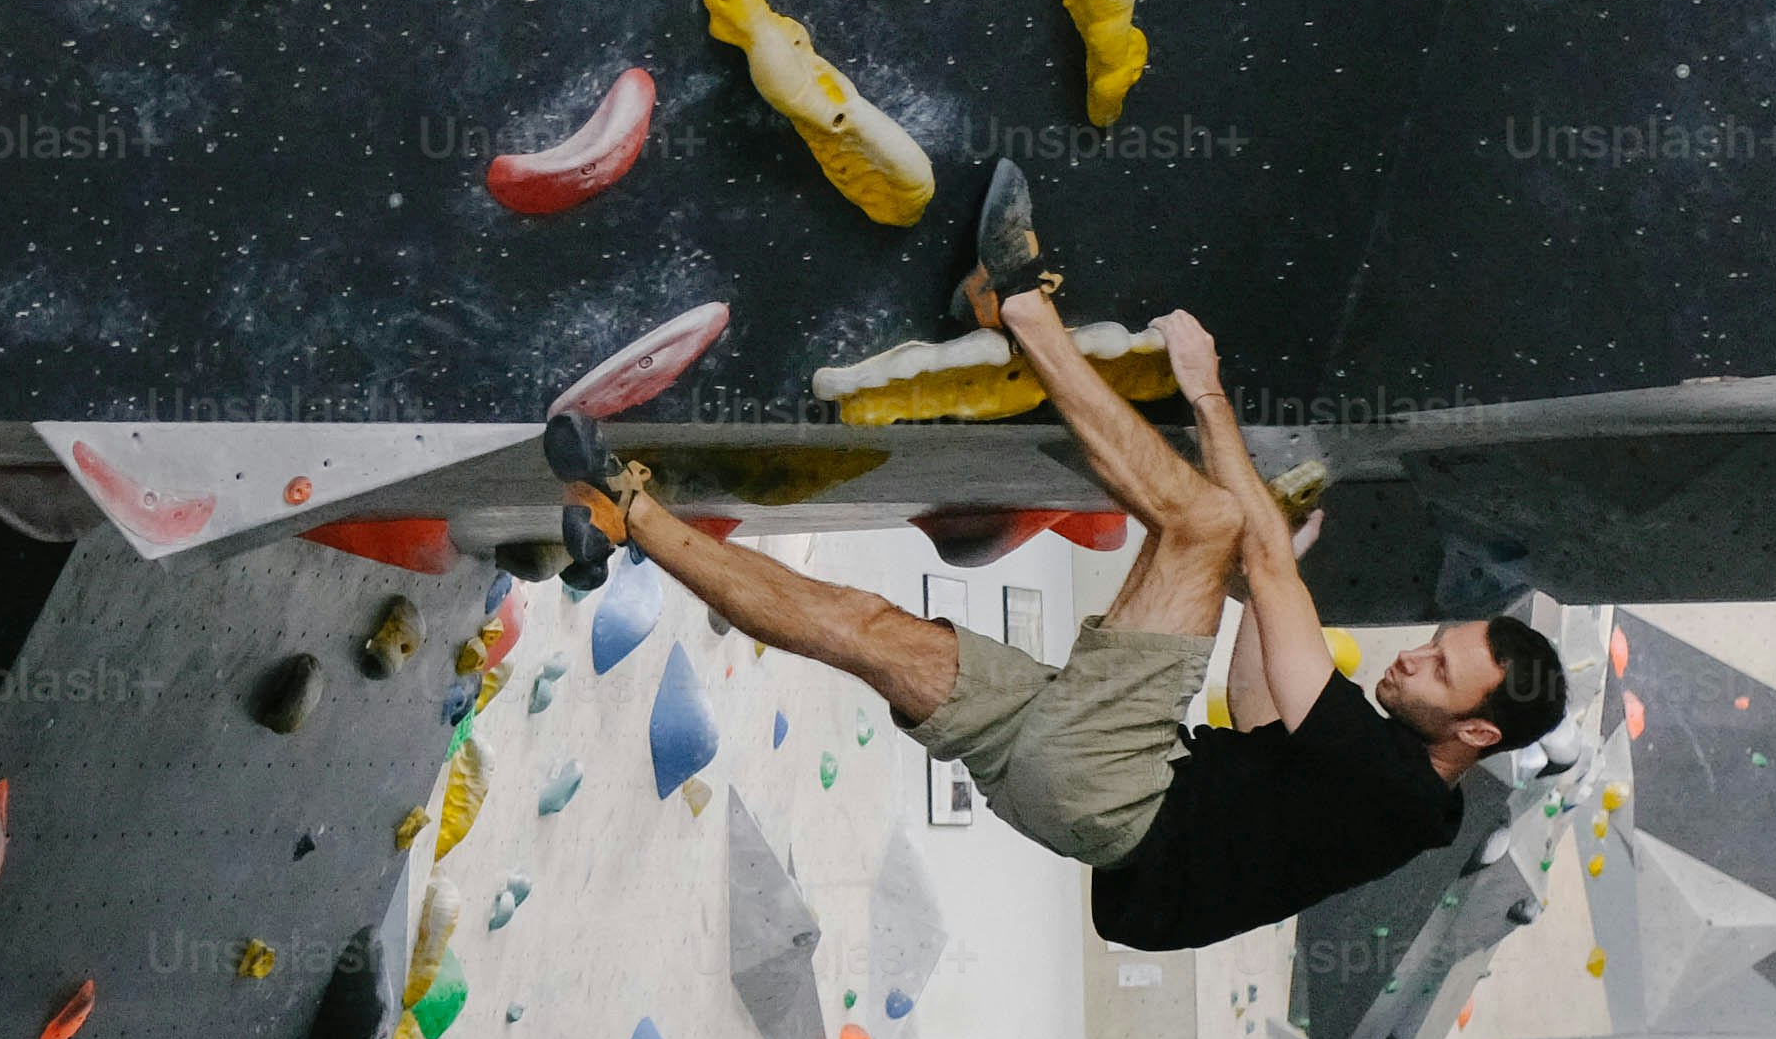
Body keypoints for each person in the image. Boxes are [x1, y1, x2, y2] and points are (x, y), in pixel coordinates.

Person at [547, 162, 1567, 947]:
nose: (1409, 658)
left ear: (1474, 727)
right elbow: (1257, 712)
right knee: (866, 631)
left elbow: (1249, 552)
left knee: (1206, 526)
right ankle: (619, 507)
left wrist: (1204, 389)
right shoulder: (1377, 789)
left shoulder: (1396, 787)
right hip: (1082, 790)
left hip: (1111, 786)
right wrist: (1268, 585)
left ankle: (1015, 303)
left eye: (1436, 668)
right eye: (1432, 642)